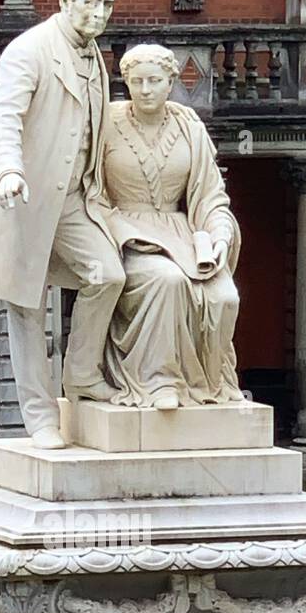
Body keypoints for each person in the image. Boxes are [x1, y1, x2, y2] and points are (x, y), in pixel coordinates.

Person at [0, 0, 125, 449]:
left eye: (107, 5)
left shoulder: (95, 54)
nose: (100, 14)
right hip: (24, 200)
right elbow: (2, 119)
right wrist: (8, 170)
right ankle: (39, 418)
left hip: (76, 198)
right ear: (66, 1)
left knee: (109, 274)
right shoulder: (29, 50)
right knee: (27, 308)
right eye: (91, 4)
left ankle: (79, 376)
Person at [100, 43, 245, 409]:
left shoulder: (188, 126)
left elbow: (211, 195)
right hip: (124, 232)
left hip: (181, 234)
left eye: (154, 80)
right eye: (136, 82)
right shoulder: (106, 123)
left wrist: (220, 237)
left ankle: (209, 385)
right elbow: (88, 186)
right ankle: (158, 380)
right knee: (168, 281)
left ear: (170, 83)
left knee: (225, 297)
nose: (145, 89)